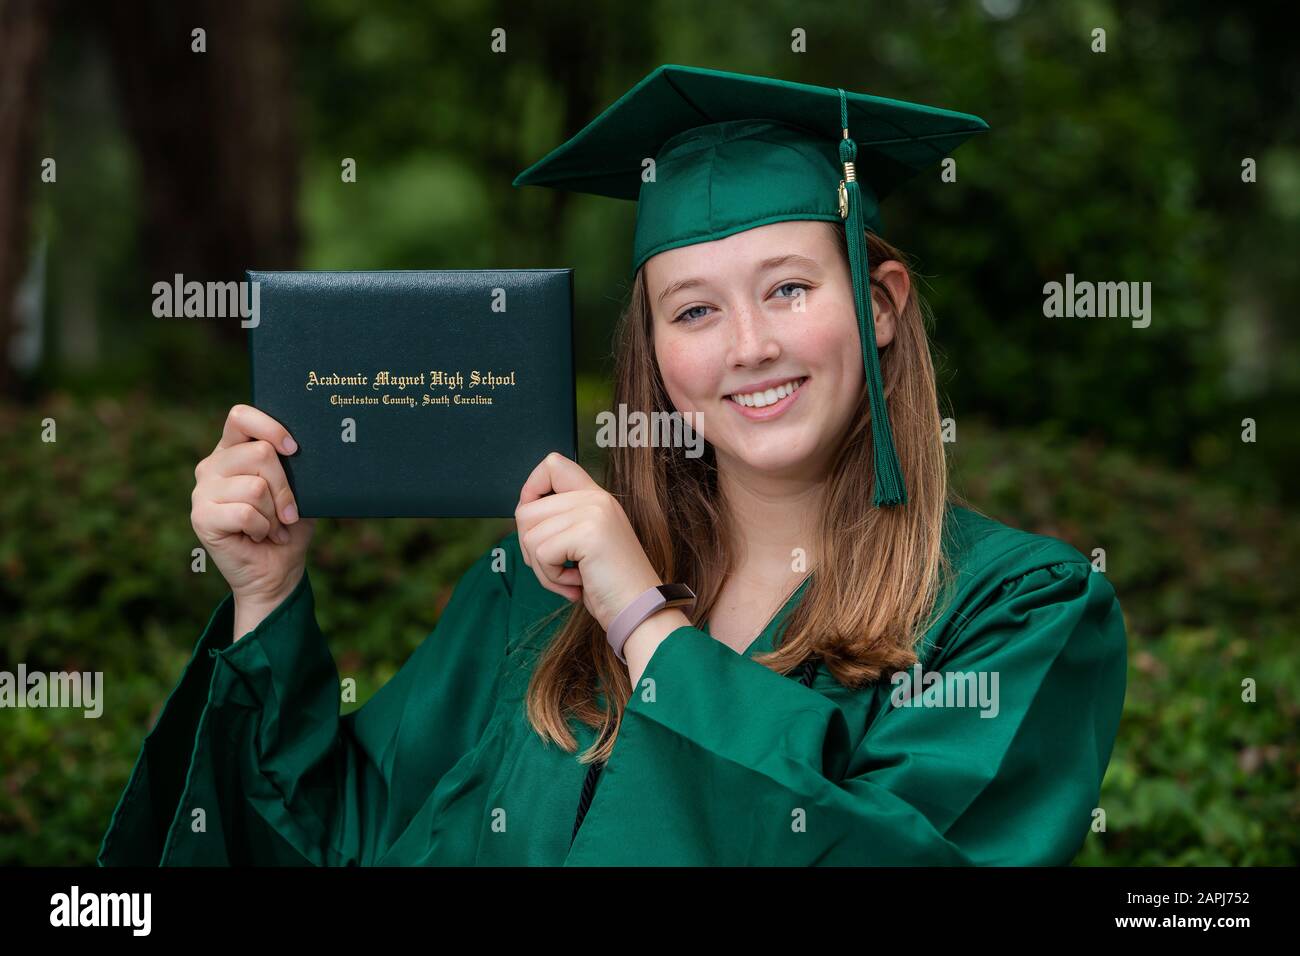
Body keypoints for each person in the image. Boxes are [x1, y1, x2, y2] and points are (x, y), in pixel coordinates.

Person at [98, 65, 1127, 867]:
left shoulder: (1021, 610)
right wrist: (267, 596)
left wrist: (644, 622)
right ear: (653, 350)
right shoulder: (537, 588)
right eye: (693, 309)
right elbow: (342, 840)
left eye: (787, 289)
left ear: (882, 303)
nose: (748, 345)